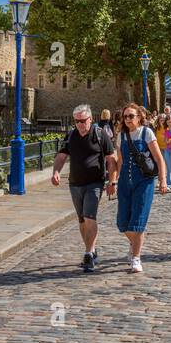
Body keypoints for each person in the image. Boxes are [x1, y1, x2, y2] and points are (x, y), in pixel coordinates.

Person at [51, 104, 116, 272]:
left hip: (95, 183)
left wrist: (112, 181)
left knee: (89, 216)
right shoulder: (71, 135)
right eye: (77, 121)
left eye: (83, 121)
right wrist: (56, 172)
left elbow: (111, 159)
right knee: (81, 219)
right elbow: (61, 156)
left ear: (91, 119)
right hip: (75, 183)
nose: (80, 124)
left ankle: (88, 253)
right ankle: (91, 249)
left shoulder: (100, 135)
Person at [114, 103, 167, 273]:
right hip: (124, 182)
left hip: (144, 182)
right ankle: (135, 242)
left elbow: (159, 159)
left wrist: (163, 180)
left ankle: (136, 258)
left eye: (131, 116)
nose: (128, 119)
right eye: (125, 116)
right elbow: (120, 161)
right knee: (123, 223)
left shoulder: (146, 132)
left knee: (137, 222)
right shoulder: (121, 135)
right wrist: (113, 181)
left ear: (139, 117)